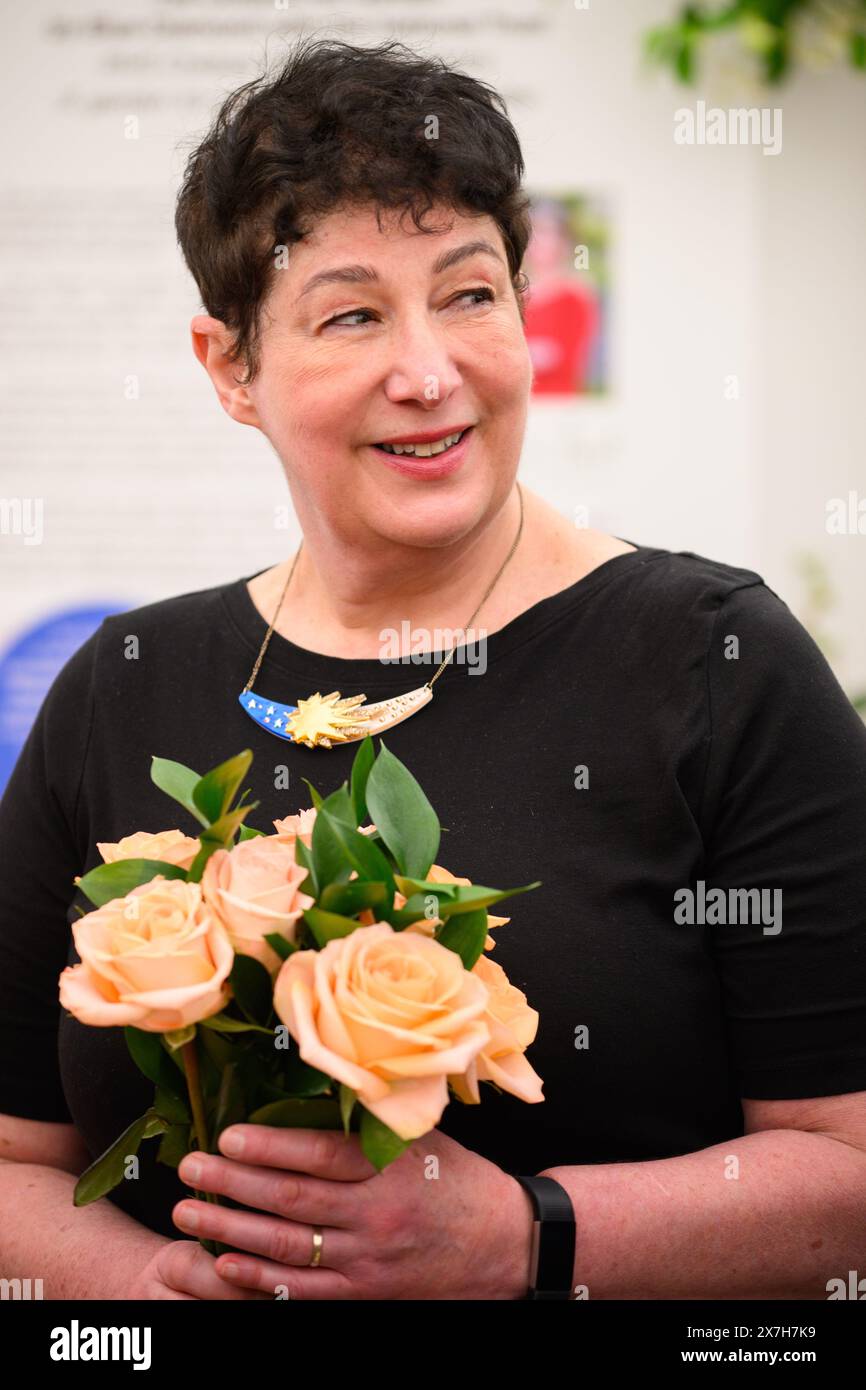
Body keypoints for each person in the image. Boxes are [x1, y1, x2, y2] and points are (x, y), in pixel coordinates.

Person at [1, 36, 865, 1303]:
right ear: (230, 366)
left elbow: (843, 1167)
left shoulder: (713, 660)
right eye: (352, 314)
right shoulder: (124, 684)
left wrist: (527, 1241)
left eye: (469, 295)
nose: (428, 373)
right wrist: (155, 1293)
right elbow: (17, 1160)